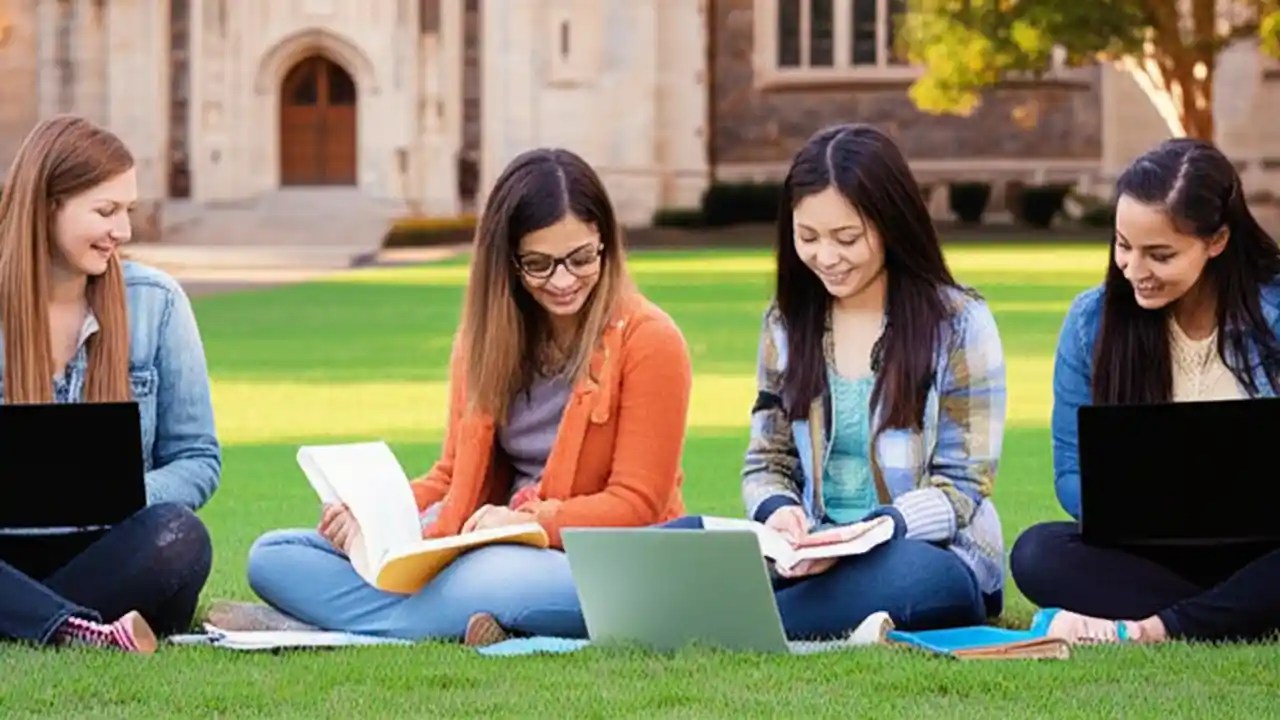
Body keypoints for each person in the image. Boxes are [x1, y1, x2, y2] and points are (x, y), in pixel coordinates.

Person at [241, 147, 692, 644]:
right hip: (480, 543)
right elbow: (453, 476)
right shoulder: (482, 343)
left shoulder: (650, 340)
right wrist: (373, 516)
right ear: (508, 262)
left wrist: (523, 522)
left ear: (605, 243)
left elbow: (637, 505)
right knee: (275, 554)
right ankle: (445, 617)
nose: (563, 281)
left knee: (492, 572)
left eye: (581, 258)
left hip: (594, 561)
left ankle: (353, 620)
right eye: (539, 264)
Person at [663, 123, 1008, 640]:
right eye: (808, 238)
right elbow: (768, 460)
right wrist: (779, 514)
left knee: (920, 581)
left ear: (892, 224)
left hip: (923, 552)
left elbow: (962, 486)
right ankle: (743, 610)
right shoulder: (787, 322)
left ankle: (718, 621)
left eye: (846, 238)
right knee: (676, 541)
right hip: (810, 550)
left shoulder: (960, 323)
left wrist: (874, 531)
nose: (826, 257)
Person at [1011, 138, 1280, 645]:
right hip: (1152, 552)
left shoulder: (1274, 315)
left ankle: (1157, 627)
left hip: (1264, 545)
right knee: (1036, 552)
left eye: (1160, 254)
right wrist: (1138, 506)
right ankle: (1237, 611)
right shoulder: (1092, 322)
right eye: (1123, 246)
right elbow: (1071, 470)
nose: (1134, 270)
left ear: (1217, 240)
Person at [0, 115, 221, 654]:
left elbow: (197, 457)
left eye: (128, 211)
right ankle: (74, 629)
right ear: (49, 204)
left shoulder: (157, 302)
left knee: (180, 538)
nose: (122, 231)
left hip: (116, 552)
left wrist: (120, 497)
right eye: (105, 211)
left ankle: (30, 617)